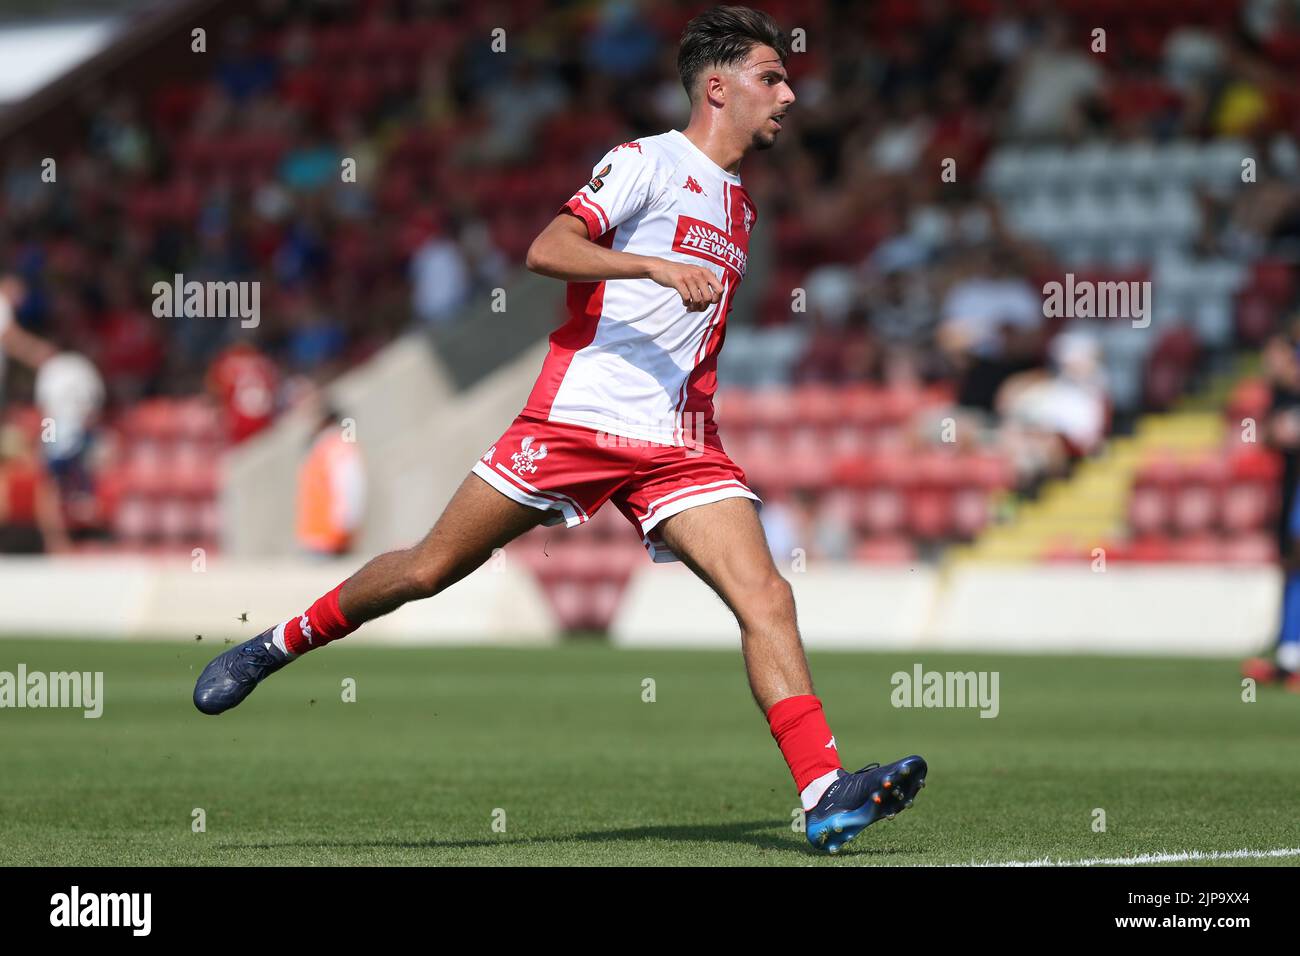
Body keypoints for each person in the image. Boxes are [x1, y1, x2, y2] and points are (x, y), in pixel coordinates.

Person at [193, 6, 926, 855]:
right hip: (578, 419)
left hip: (680, 440)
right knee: (428, 570)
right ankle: (277, 644)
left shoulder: (741, 207)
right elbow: (549, 247)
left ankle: (825, 792)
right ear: (717, 87)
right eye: (773, 76)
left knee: (767, 596)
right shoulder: (646, 162)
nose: (790, 94)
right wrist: (650, 262)